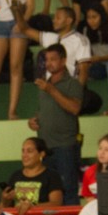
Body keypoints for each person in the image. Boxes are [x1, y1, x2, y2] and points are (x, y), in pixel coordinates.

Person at [28, 44, 84, 204]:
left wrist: (51, 90)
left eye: (53, 59)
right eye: (46, 60)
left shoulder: (72, 83)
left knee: (69, 190)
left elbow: (74, 108)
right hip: (45, 148)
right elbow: (43, 111)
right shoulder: (43, 85)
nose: (49, 63)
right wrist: (33, 121)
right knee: (48, 192)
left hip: (65, 146)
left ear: (64, 60)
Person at [12, 4, 91, 84]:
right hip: (51, 86)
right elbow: (25, 29)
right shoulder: (51, 37)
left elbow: (83, 69)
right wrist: (18, 13)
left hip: (69, 86)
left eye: (58, 18)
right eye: (54, 18)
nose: (54, 20)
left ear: (68, 21)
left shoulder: (80, 40)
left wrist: (79, 92)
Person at [80, 5, 108, 116]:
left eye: (94, 17)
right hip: (99, 66)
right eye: (89, 17)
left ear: (102, 16)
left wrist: (99, 58)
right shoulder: (86, 30)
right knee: (80, 69)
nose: (91, 21)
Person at [3, 137, 64, 210]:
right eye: (23, 151)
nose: (24, 155)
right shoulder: (16, 176)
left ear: (41, 154)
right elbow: (7, 208)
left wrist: (33, 208)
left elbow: (56, 204)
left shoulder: (52, 175)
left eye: (29, 151)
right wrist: (6, 199)